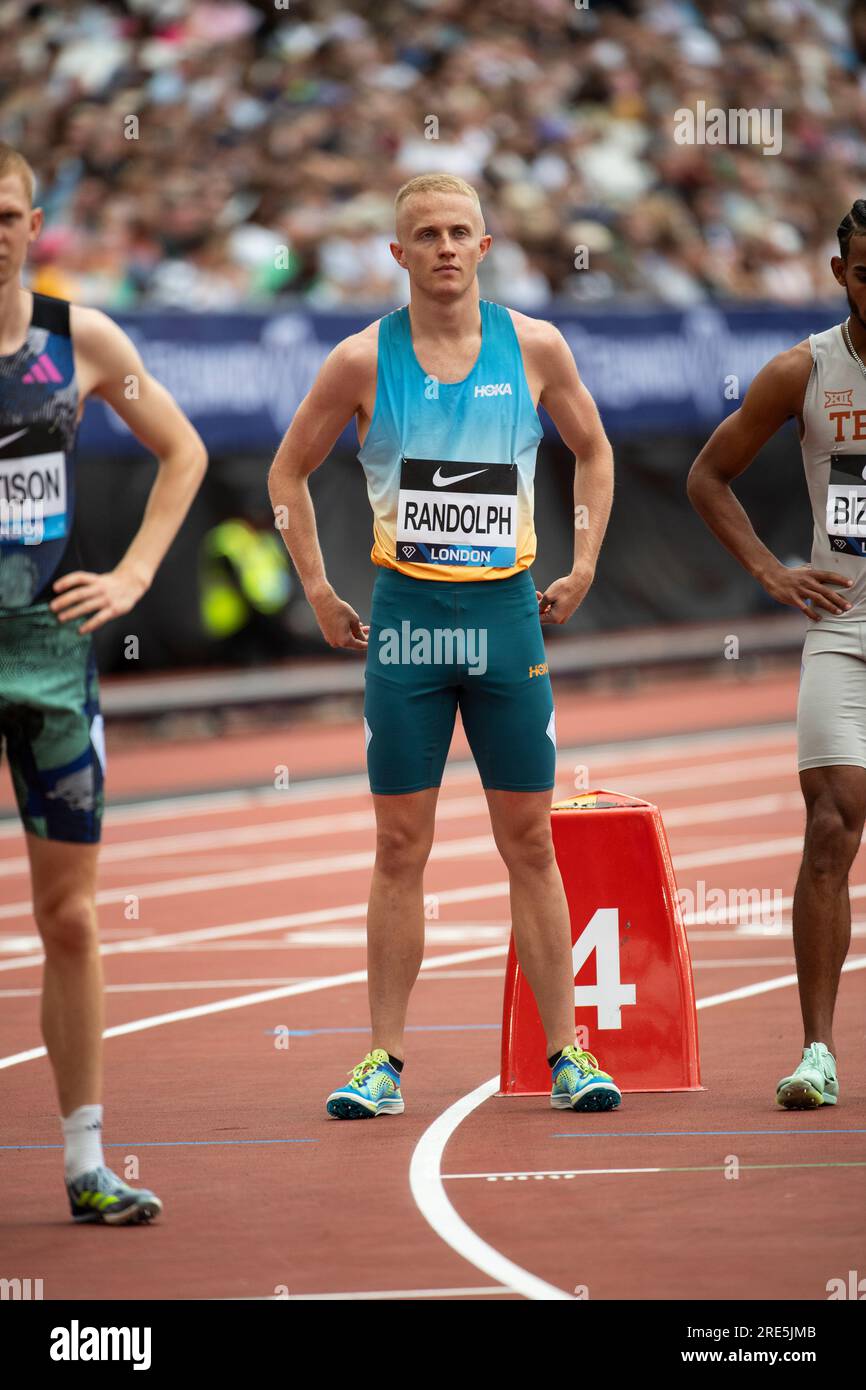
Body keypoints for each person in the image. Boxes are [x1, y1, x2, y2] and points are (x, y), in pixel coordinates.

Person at [269, 172, 620, 1117]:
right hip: (407, 623)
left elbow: (594, 449)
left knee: (531, 841)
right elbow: (285, 473)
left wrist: (584, 562)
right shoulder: (357, 361)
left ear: (486, 243)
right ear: (398, 255)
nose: (445, 248)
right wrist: (318, 589)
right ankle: (382, 1062)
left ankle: (568, 1055)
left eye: (461, 231)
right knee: (398, 845)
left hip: (507, 618)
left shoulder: (536, 346)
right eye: (425, 235)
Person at [0, 143, 208, 1217]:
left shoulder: (76, 338)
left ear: (35, 223)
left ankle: (84, 1161)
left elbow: (183, 451)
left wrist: (129, 574)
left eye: (5, 212)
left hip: (49, 667)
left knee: (71, 918)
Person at [687, 200, 866, 1110]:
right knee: (832, 823)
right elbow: (706, 476)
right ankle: (818, 1053)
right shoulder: (802, 371)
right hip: (844, 625)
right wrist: (770, 569)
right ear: (841, 273)